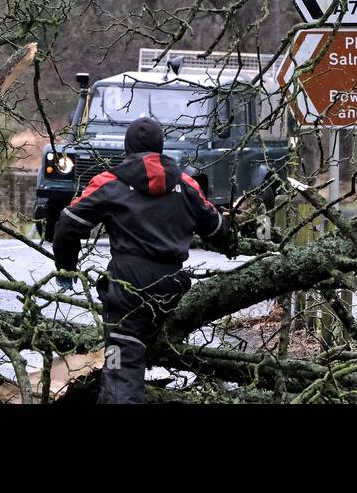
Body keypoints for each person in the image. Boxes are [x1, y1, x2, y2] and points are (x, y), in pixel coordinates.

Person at [52, 116, 235, 403]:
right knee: (154, 348)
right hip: (173, 286)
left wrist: (66, 268)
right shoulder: (186, 183)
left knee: (120, 362)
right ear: (161, 147)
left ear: (127, 149)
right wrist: (233, 242)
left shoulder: (109, 182)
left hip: (129, 287)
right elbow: (218, 229)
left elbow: (67, 224)